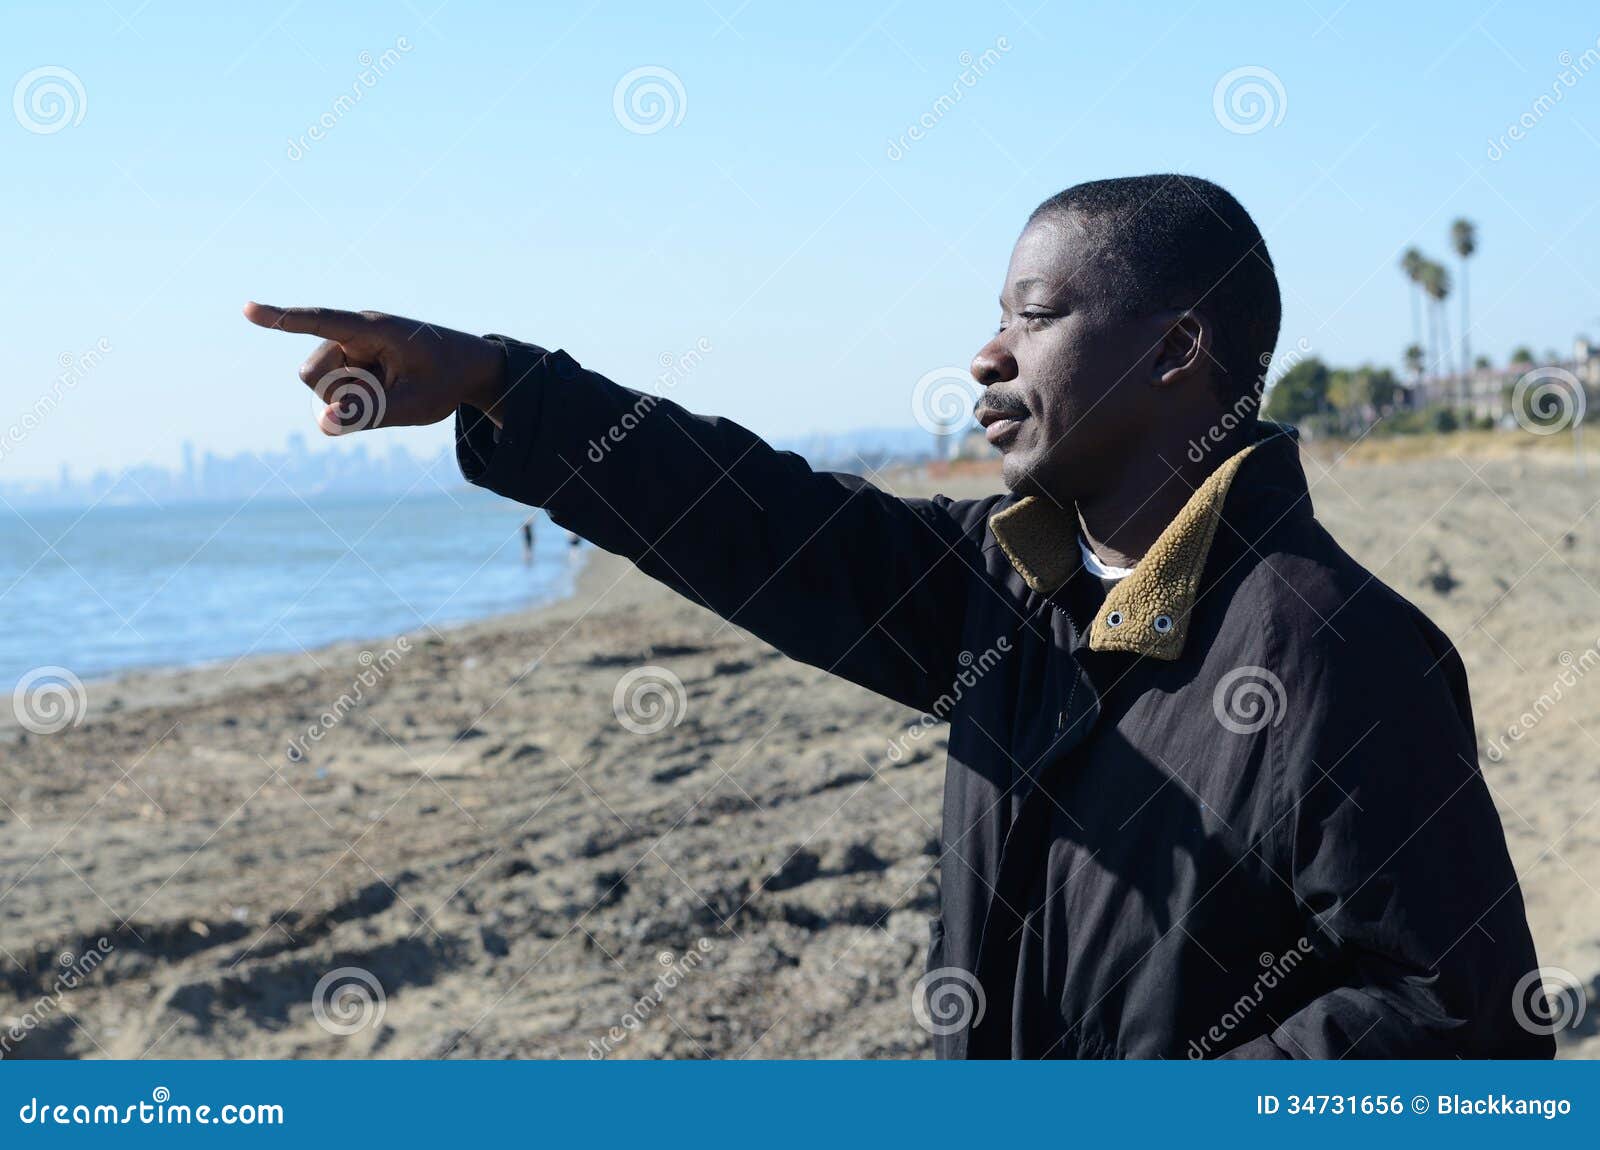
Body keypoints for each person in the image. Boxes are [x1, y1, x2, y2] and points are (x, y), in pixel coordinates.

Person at [243, 174, 1552, 1059]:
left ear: (1175, 351)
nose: (987, 355)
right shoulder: (1005, 588)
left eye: (1032, 317)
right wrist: (500, 383)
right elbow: (758, 522)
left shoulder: (1332, 651)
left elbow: (1467, 1027)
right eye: (994, 321)